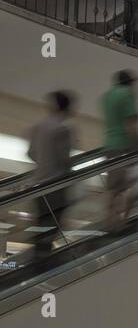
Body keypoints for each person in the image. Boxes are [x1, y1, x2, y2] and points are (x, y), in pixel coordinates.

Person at [25, 91, 76, 258]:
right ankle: (43, 259)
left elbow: (31, 153)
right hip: (56, 185)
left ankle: (36, 257)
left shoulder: (37, 125)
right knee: (52, 225)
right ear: (68, 108)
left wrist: (43, 163)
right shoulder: (63, 129)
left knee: (40, 224)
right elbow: (64, 159)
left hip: (38, 183)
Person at [102, 70, 138, 225]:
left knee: (113, 187)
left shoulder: (108, 95)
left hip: (109, 144)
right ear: (130, 82)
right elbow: (130, 124)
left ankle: (110, 219)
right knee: (132, 186)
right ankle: (123, 220)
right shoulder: (127, 94)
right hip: (125, 146)